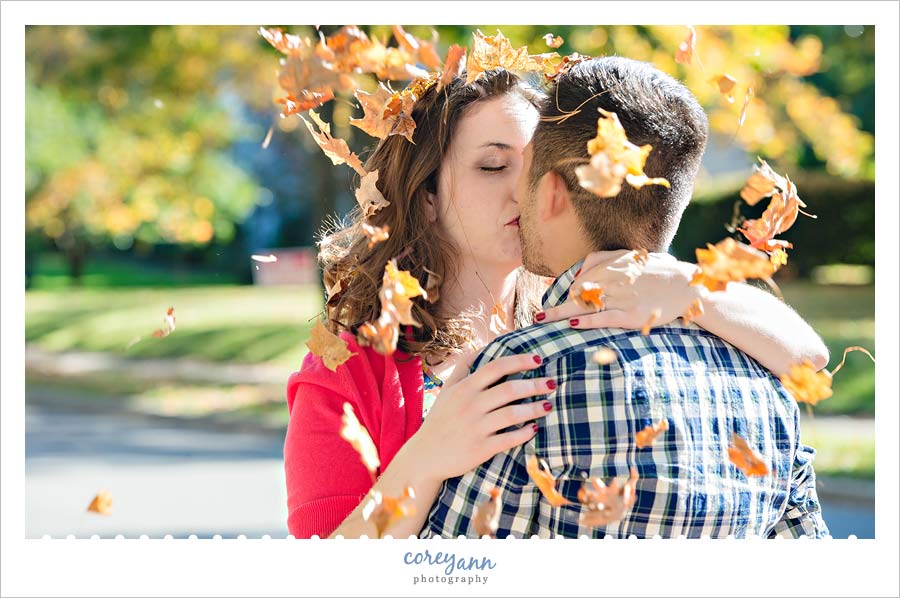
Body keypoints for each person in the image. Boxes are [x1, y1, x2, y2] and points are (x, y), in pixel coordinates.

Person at [284, 67, 828, 539]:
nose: (527, 190)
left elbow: (808, 360)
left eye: (537, 165)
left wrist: (693, 288)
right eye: (494, 166)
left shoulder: (597, 301)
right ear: (426, 197)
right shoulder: (350, 370)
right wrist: (426, 459)